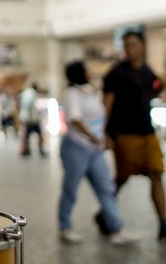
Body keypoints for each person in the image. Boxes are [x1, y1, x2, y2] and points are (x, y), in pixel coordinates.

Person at [102, 30, 166, 245]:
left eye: (134, 44)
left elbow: (155, 89)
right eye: (127, 45)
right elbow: (108, 103)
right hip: (124, 133)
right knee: (122, 178)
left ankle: (163, 225)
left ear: (142, 46)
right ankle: (104, 212)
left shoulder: (147, 70)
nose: (130, 49)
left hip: (147, 132)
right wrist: (103, 132)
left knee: (156, 173)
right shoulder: (115, 73)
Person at [58, 60, 139, 245]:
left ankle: (116, 227)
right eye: (86, 69)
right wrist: (91, 136)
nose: (89, 71)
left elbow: (99, 117)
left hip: (95, 149)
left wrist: (102, 137)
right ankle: (65, 227)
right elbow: (75, 119)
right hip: (76, 148)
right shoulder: (71, 93)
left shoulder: (89, 91)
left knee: (106, 189)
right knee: (70, 190)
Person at [18, 83, 46, 156]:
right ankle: (40, 149)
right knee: (39, 133)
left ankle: (26, 149)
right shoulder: (32, 94)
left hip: (26, 118)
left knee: (27, 135)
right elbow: (30, 105)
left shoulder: (26, 93)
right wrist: (32, 118)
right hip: (31, 119)